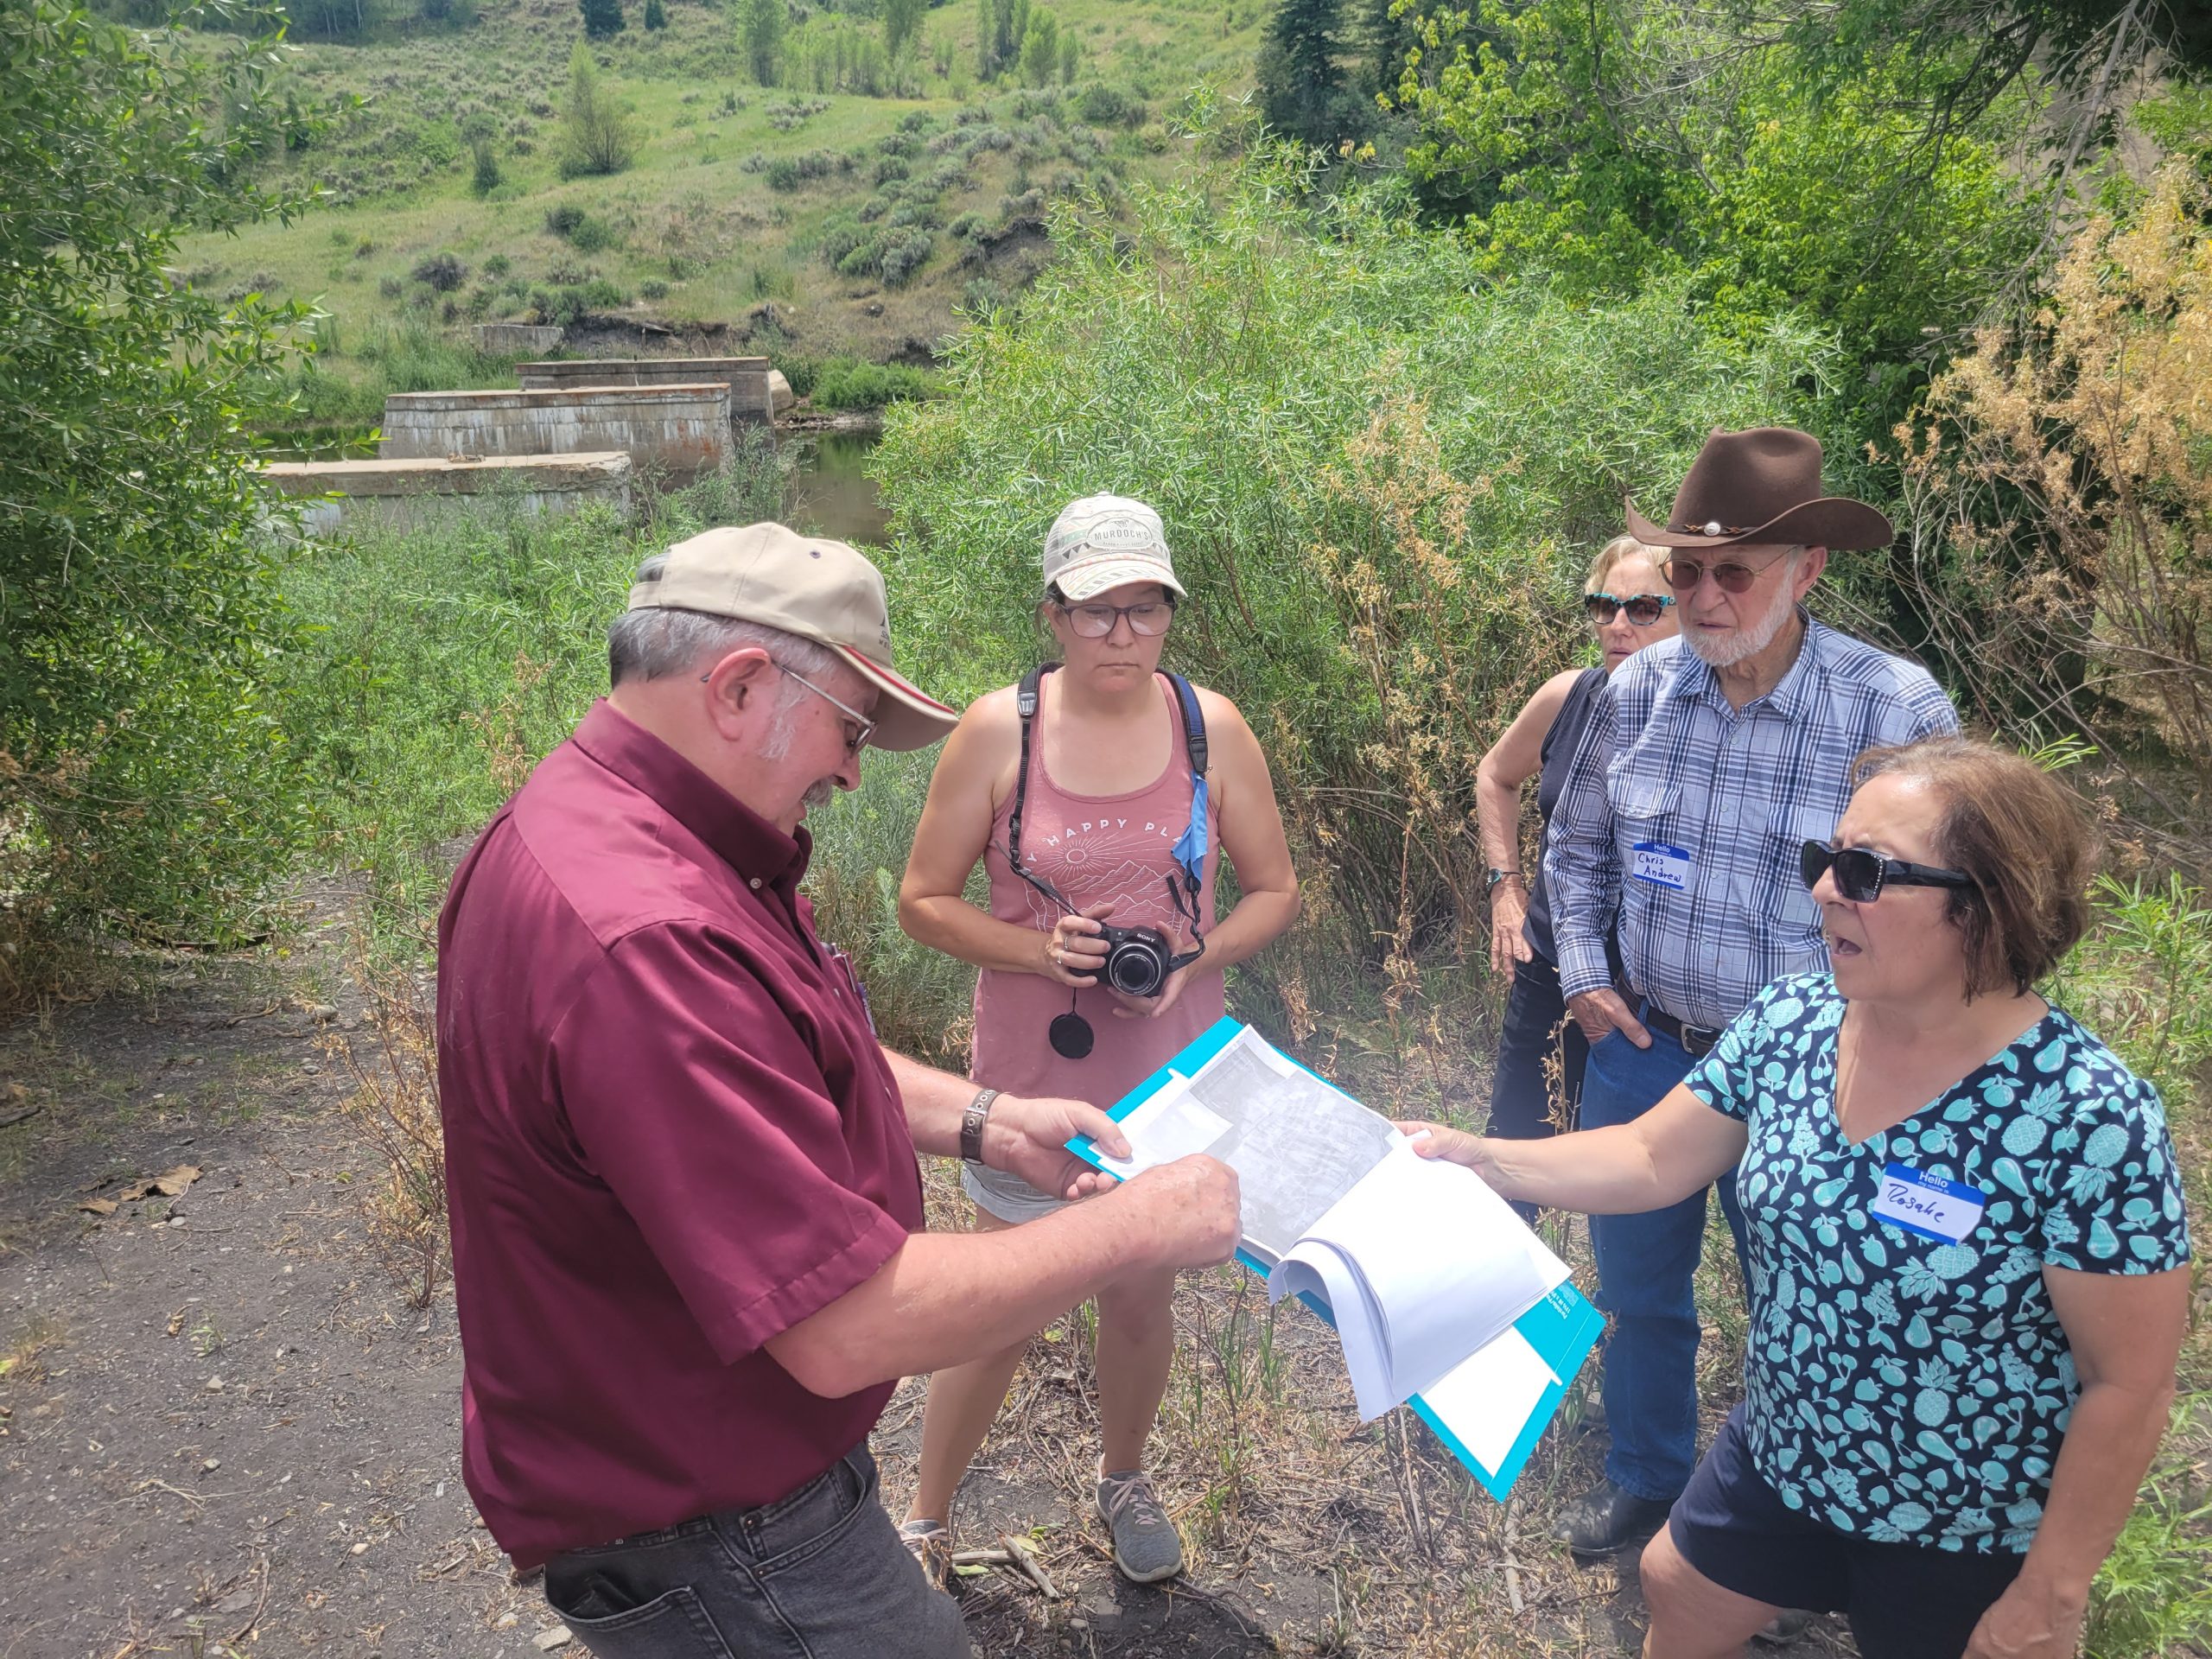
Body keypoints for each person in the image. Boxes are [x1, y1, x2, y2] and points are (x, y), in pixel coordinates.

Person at [435, 522, 1243, 1659]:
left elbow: (790, 1052)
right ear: (739, 686)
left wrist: (987, 1122)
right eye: (851, 728)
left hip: (695, 1468)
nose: (854, 769)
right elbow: (844, 1326)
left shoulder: (621, 832)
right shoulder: (647, 933)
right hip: (721, 1528)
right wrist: (1138, 1224)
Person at [1408, 735, 2190, 1659]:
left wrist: (2050, 1595)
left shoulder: (2086, 1117)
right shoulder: (1793, 1020)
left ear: (1988, 907)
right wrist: (1480, 1159)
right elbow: (1651, 1159)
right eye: (1824, 860)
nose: (1823, 889)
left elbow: (2128, 1385)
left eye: (1864, 871)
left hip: (1963, 1519)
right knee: (1673, 1583)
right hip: (1786, 1449)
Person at [1541, 426, 1962, 1553]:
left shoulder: (1894, 711)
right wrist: (1585, 978)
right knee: (1638, 1291)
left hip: (1824, 1073)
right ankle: (1648, 1483)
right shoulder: (1635, 695)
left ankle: (1793, 1523)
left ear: (1806, 571)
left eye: (1735, 572)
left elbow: (1955, 896)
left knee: (1813, 1306)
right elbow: (1573, 849)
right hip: (1650, 1047)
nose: (1705, 595)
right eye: (1685, 571)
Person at [896, 494, 1301, 1585]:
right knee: (1001, 1300)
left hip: (1169, 1069)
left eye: (1143, 609)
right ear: (1052, 614)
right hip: (1033, 1080)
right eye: (1095, 611)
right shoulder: (1002, 730)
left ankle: (1124, 1477)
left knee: (1137, 1292)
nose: (1121, 635)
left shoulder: (1211, 726)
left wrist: (1189, 958)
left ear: (1170, 611)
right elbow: (922, 901)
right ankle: (926, 1521)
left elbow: (1273, 891)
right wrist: (1040, 952)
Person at [1475, 535, 1680, 1180]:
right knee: (1519, 1149)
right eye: (1604, 605)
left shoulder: (1710, 719)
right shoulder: (1571, 695)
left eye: (1644, 608)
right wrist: (1504, 889)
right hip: (1554, 965)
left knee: (1636, 1174)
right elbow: (1494, 775)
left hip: (1660, 997)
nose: (1618, 626)